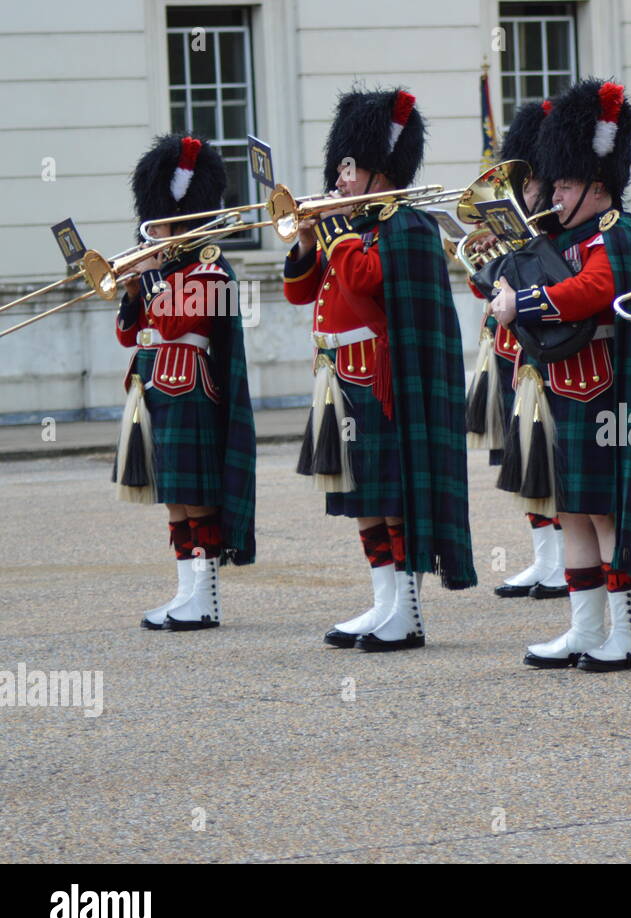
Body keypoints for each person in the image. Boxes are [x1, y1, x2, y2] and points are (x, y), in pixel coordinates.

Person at [490, 78, 631, 670]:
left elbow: (596, 290)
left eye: (568, 183)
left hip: (611, 396)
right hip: (566, 388)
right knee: (571, 507)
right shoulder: (564, 234)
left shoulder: (618, 234)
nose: (555, 192)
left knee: (607, 511)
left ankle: (625, 636)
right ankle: (585, 628)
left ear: (597, 186)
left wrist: (522, 304)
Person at [286, 86, 476, 651]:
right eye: (341, 168)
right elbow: (303, 292)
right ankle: (383, 601)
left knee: (393, 496)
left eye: (352, 168)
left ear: (379, 171)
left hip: (385, 377)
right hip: (341, 373)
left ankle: (409, 614)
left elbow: (367, 281)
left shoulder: (405, 225)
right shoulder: (355, 226)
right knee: (363, 495)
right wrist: (304, 239)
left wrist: (337, 230)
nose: (340, 179)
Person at [114, 134, 256, 630]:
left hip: (190, 385)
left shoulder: (210, 267)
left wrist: (151, 277)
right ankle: (184, 592)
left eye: (163, 219)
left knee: (197, 495)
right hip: (153, 383)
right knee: (173, 495)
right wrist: (132, 292)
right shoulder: (167, 267)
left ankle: (207, 598)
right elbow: (130, 334)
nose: (153, 230)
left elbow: (178, 325)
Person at [464, 100, 569, 600]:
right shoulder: (515, 228)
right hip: (509, 351)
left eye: (530, 187)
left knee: (548, 455)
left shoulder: (555, 232)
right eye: (523, 188)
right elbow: (488, 290)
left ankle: (564, 560)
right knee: (522, 457)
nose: (526, 195)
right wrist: (484, 261)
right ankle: (544, 557)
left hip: (545, 352)